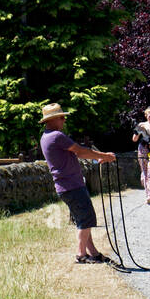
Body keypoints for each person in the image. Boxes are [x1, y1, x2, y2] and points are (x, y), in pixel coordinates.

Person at [39, 103, 118, 264]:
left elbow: (77, 154)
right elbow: (80, 150)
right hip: (71, 186)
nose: (64, 120)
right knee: (86, 219)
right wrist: (104, 155)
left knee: (84, 220)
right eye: (61, 117)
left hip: (67, 186)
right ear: (52, 120)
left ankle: (93, 253)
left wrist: (98, 157)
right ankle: (81, 255)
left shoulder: (46, 137)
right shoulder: (56, 136)